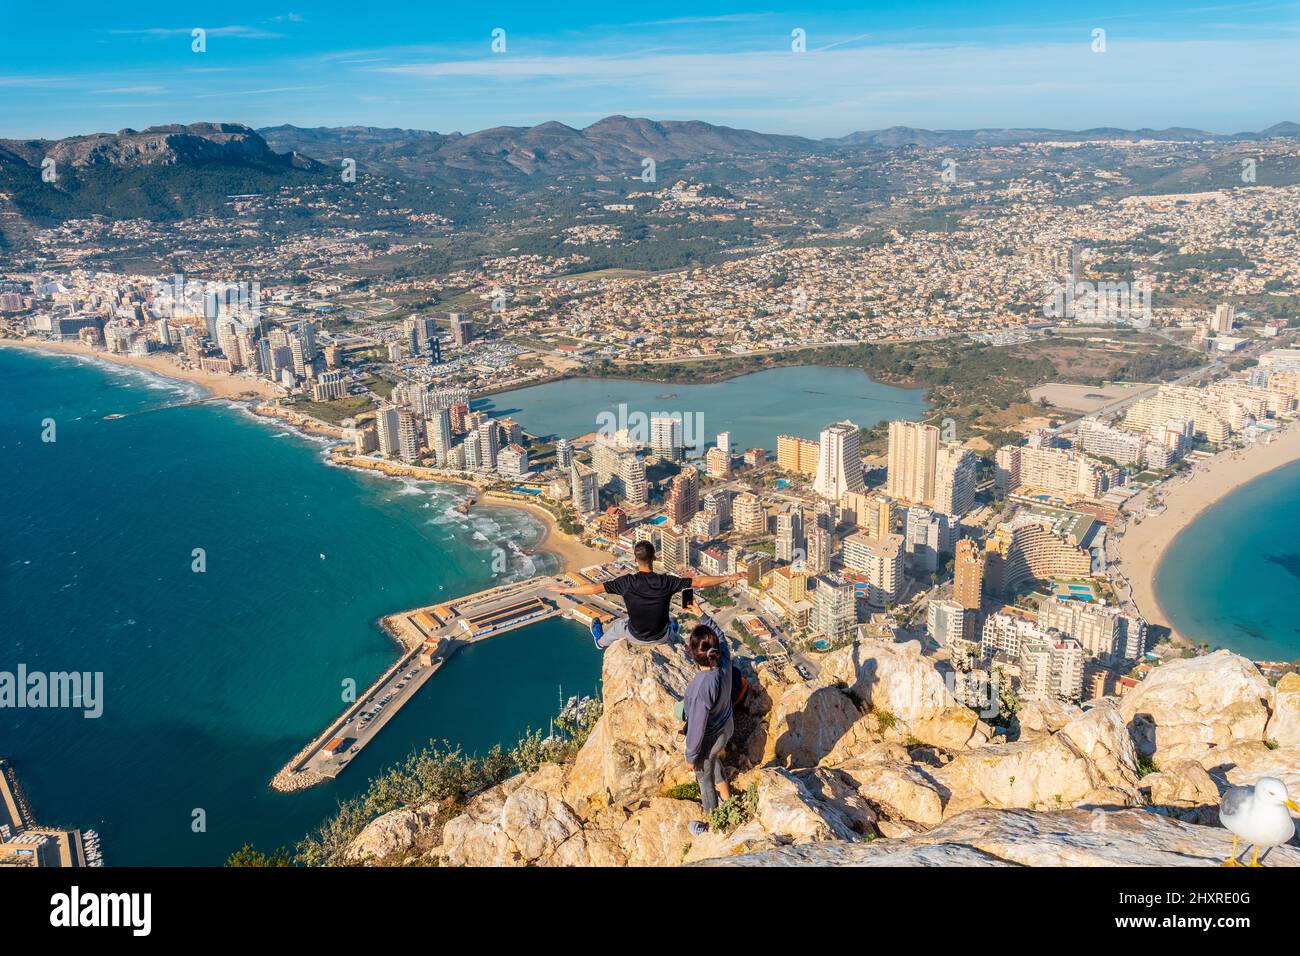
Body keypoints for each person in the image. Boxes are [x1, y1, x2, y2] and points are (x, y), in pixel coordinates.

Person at [549, 541, 744, 649]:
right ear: (654, 558)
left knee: (619, 624)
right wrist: (730, 576)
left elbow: (593, 588)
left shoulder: (626, 582)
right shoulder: (666, 581)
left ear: (635, 560)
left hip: (636, 636)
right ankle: (672, 630)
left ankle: (600, 642)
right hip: (661, 636)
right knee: (671, 623)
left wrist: (565, 590)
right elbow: (700, 581)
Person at [681, 613, 733, 834]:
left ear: (694, 654)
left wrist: (691, 756)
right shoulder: (725, 661)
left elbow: (696, 727)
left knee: (703, 776)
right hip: (727, 726)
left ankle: (714, 822)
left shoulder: (700, 688)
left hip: (711, 735)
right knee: (712, 759)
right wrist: (702, 614)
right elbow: (721, 635)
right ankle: (728, 801)